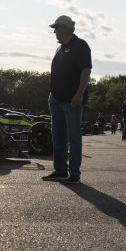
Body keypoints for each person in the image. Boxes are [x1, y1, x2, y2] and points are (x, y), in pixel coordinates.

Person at [42, 15, 92, 184]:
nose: (54, 31)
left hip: (71, 100)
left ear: (65, 28)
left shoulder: (80, 45)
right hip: (55, 98)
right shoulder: (60, 48)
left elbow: (86, 70)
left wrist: (79, 94)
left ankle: (74, 173)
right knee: (58, 135)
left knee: (73, 136)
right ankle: (60, 170)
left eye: (56, 28)